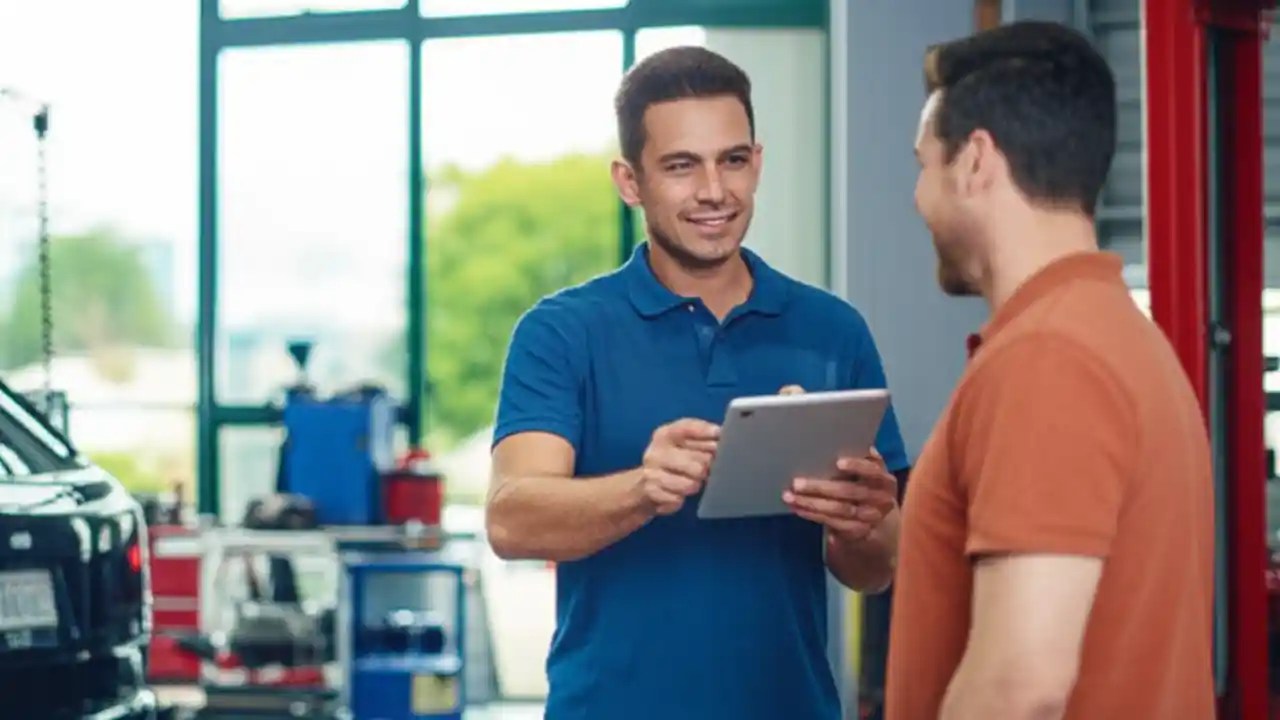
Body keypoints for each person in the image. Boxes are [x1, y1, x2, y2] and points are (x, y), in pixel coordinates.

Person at [486, 46, 911, 720]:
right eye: (682, 166)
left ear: (758, 162)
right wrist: (642, 490)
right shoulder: (562, 333)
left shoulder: (833, 331)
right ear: (631, 182)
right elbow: (511, 519)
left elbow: (877, 568)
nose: (714, 191)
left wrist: (859, 521)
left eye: (733, 160)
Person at [887, 20, 1215, 720]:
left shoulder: (1047, 359)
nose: (917, 199)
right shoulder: (1120, 337)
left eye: (923, 166)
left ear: (975, 161)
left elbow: (1020, 683)